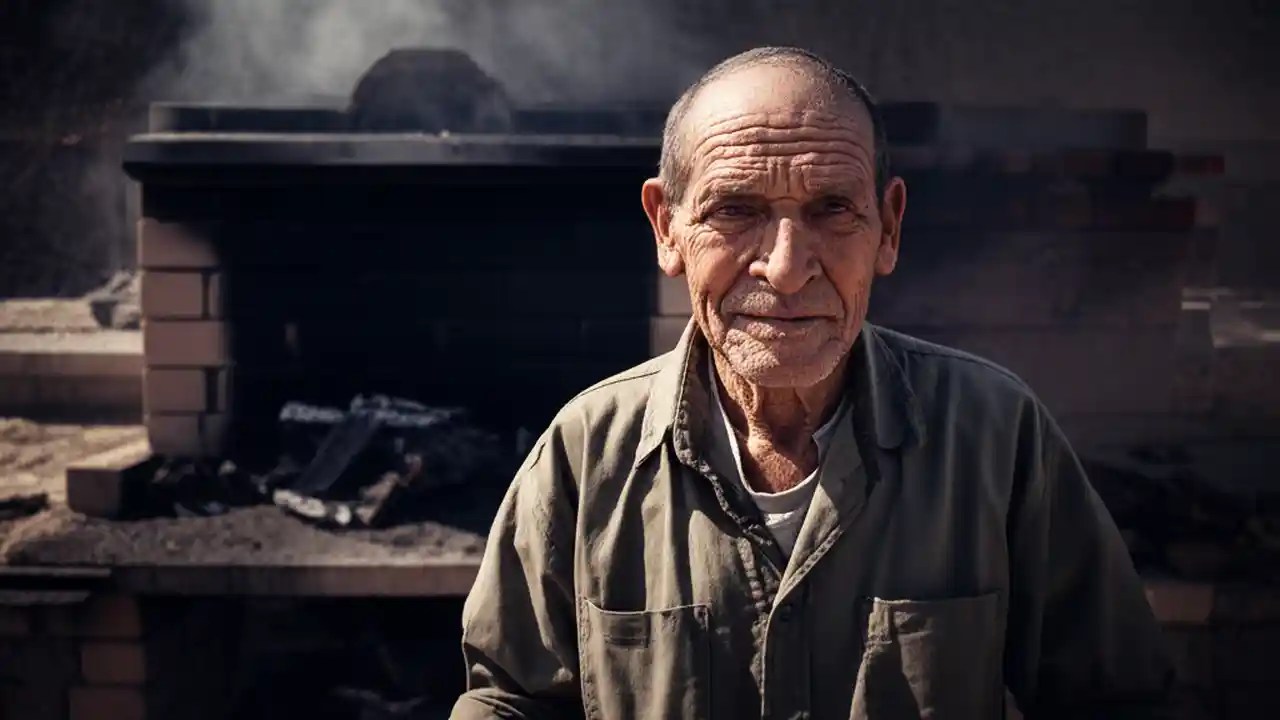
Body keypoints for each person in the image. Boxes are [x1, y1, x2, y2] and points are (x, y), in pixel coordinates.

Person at [451, 46, 1173, 719]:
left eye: (832, 210)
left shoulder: (993, 434)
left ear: (887, 228)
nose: (788, 268)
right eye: (735, 211)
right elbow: (509, 700)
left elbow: (1121, 700)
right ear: (667, 228)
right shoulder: (588, 451)